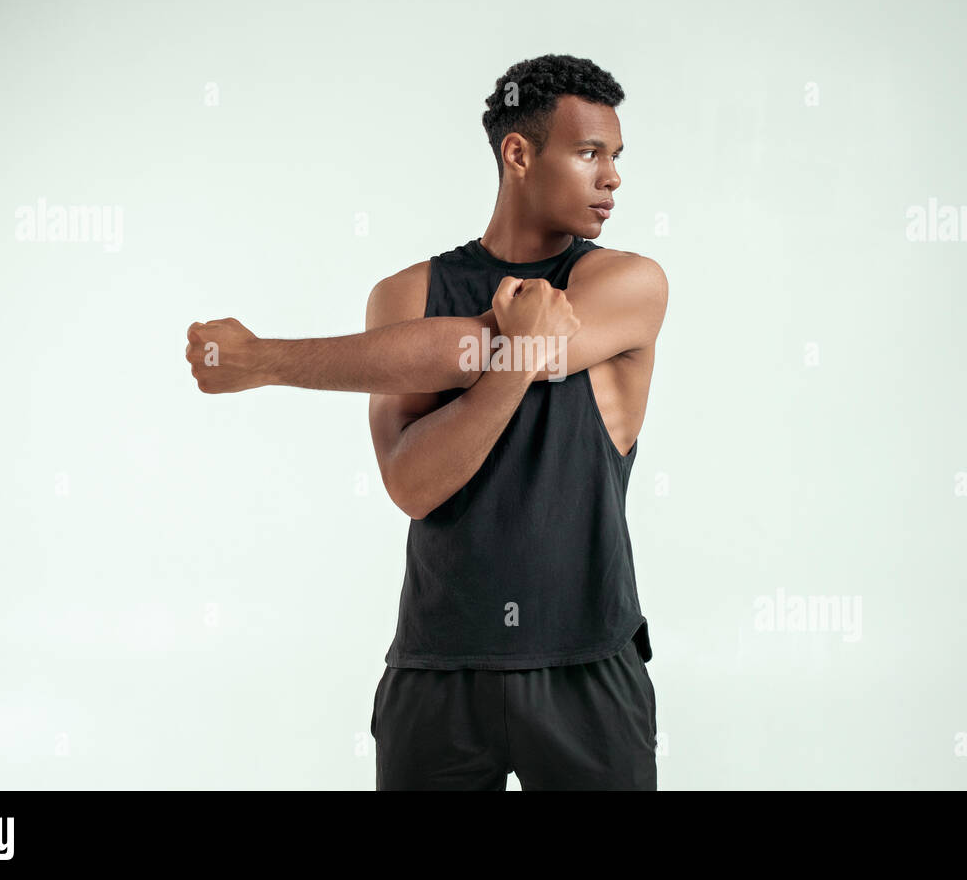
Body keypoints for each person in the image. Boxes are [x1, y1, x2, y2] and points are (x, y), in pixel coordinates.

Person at [184, 54, 668, 789]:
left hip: (588, 666)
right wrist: (520, 348)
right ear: (518, 153)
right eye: (589, 153)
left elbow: (473, 350)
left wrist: (268, 358)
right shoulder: (406, 293)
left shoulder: (625, 283)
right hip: (436, 668)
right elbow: (413, 486)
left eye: (616, 156)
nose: (613, 177)